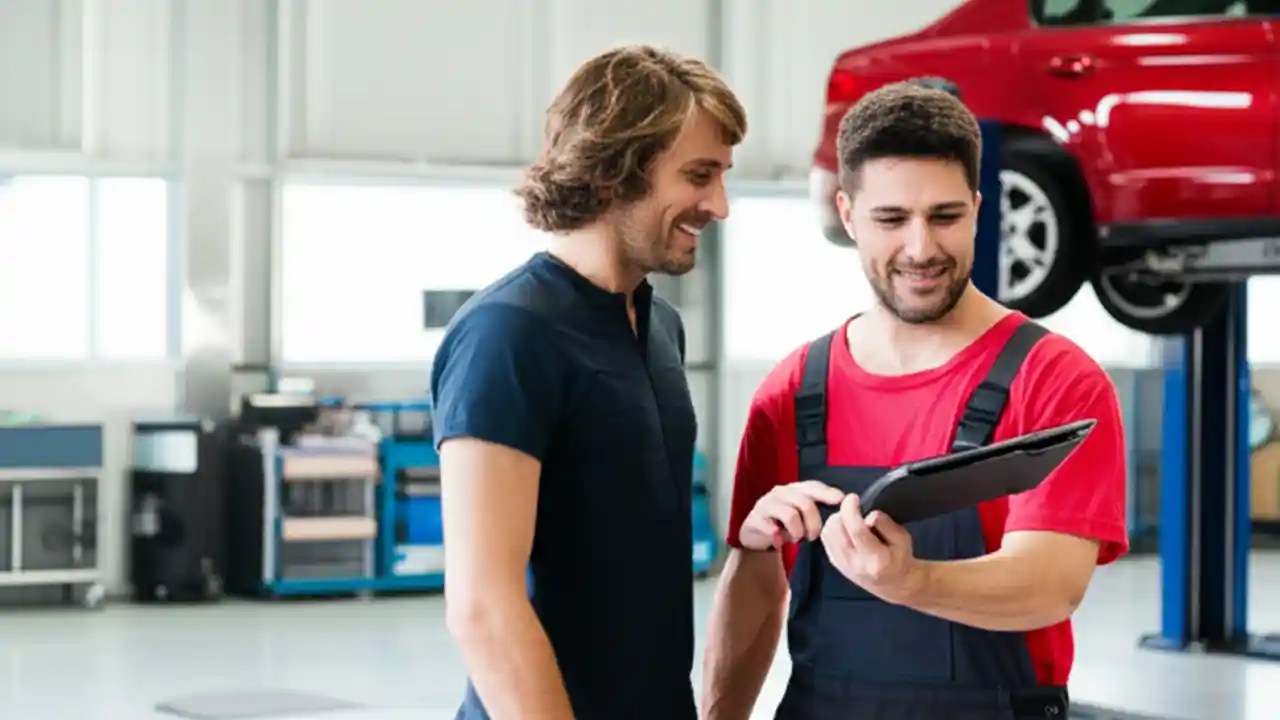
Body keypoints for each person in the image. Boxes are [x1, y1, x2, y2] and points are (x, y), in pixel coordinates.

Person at [700, 81, 1129, 719]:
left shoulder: (1055, 380)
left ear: (980, 210)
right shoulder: (792, 392)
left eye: (945, 216)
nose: (922, 248)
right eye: (892, 219)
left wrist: (910, 582)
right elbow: (757, 587)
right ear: (847, 214)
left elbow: (1051, 585)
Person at [430, 45, 747, 720]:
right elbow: (483, 605)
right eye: (699, 175)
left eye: (721, 176)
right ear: (613, 175)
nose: (718, 205)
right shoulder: (509, 335)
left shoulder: (660, 325)